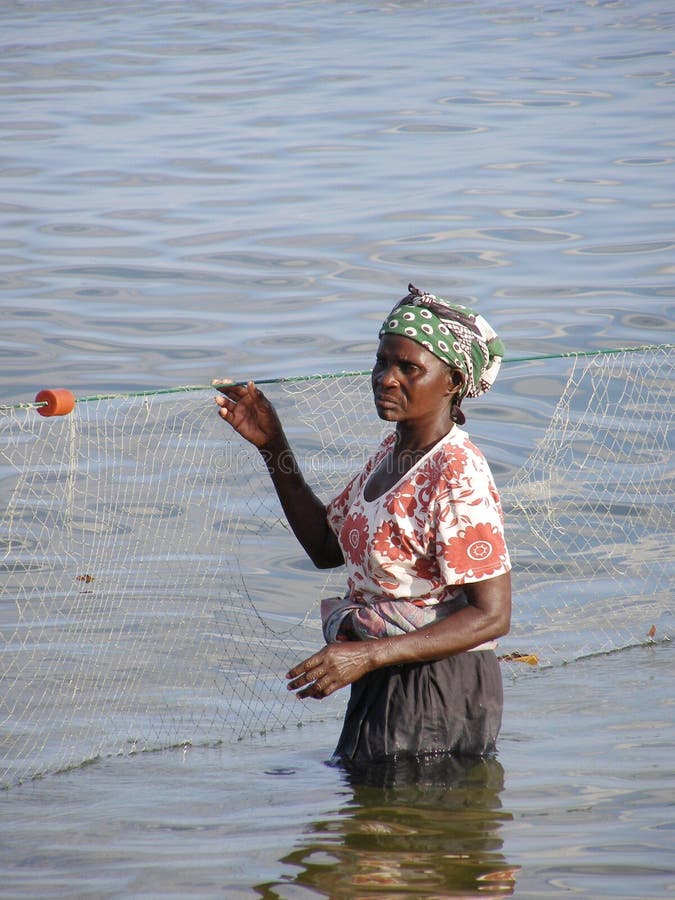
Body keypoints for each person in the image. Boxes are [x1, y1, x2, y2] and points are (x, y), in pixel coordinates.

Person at [215, 283, 512, 766]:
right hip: (387, 670)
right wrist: (273, 447)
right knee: (376, 823)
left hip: (438, 684)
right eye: (382, 362)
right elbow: (325, 548)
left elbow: (491, 616)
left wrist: (367, 656)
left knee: (410, 829)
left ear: (453, 381)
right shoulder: (390, 456)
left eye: (408, 368)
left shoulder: (456, 472)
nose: (387, 379)